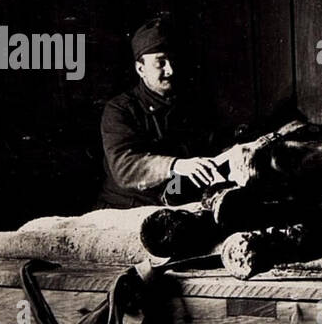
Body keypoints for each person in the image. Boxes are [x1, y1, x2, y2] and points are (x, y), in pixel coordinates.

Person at [96, 15, 229, 209]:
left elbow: (214, 144)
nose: (171, 70)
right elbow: (124, 167)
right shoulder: (119, 109)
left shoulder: (193, 103)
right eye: (160, 63)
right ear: (140, 69)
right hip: (126, 209)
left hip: (175, 205)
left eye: (173, 60)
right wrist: (175, 165)